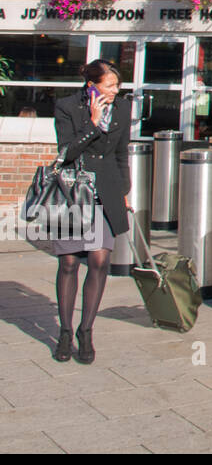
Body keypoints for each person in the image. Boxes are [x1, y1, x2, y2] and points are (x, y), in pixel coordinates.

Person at [51, 61, 131, 365]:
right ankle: (65, 332)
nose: (115, 91)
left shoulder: (122, 109)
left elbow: (122, 153)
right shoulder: (67, 106)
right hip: (72, 191)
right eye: (110, 85)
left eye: (117, 85)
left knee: (99, 259)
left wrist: (123, 191)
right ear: (92, 85)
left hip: (105, 191)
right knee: (69, 263)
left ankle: (86, 331)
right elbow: (66, 152)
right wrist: (93, 123)